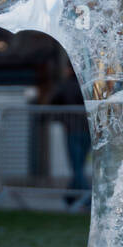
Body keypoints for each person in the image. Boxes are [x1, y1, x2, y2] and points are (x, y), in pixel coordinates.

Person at [50, 71, 90, 207]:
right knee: (78, 166)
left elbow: (53, 102)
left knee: (77, 166)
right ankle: (78, 196)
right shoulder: (86, 84)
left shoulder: (66, 85)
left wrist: (63, 119)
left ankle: (80, 197)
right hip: (84, 129)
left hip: (74, 129)